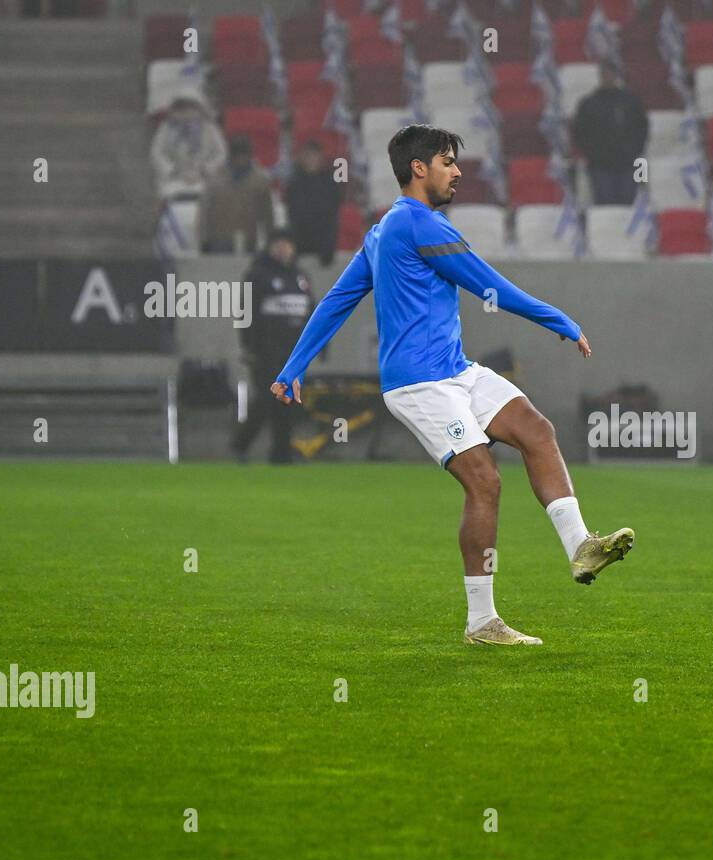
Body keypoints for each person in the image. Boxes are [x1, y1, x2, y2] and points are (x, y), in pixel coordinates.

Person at [270, 125, 633, 647]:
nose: (457, 171)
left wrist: (293, 366)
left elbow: (335, 300)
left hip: (455, 370)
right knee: (484, 480)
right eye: (447, 161)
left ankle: (581, 547)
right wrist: (556, 317)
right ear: (419, 169)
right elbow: (485, 281)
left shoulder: (382, 231)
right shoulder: (417, 224)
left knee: (536, 430)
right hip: (419, 384)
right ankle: (482, 622)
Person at [232, 228, 314, 464]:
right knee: (268, 399)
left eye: (286, 244)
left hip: (294, 353)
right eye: (278, 244)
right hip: (266, 351)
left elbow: (312, 312)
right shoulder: (258, 275)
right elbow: (246, 313)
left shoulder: (301, 278)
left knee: (288, 402)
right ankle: (241, 443)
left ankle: (281, 454)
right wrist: (249, 346)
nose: (283, 248)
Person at [570, 61, 649, 206]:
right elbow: (579, 132)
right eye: (605, 74)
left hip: (628, 164)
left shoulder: (631, 102)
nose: (608, 77)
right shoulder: (588, 104)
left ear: (616, 76)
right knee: (605, 208)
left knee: (627, 207)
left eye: (610, 74)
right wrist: (591, 154)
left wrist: (634, 151)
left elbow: (642, 128)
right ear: (600, 76)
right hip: (600, 167)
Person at [200, 135, 276, 254]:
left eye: (244, 155)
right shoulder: (216, 178)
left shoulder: (260, 180)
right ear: (231, 156)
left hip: (250, 239)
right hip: (220, 238)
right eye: (237, 156)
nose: (241, 160)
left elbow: (267, 213)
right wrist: (204, 239)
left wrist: (270, 239)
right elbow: (205, 210)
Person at [149, 92, 227, 200]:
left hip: (204, 180)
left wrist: (206, 170)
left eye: (189, 105)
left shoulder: (209, 127)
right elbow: (156, 152)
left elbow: (221, 153)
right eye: (182, 106)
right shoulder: (167, 127)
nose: (186, 110)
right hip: (173, 180)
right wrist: (171, 170)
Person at [286, 140, 342, 267]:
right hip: (300, 240)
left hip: (322, 241)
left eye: (313, 155)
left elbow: (332, 217)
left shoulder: (329, 184)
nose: (310, 158)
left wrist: (328, 245)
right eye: (307, 155)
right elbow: (292, 216)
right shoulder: (295, 183)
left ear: (320, 157)